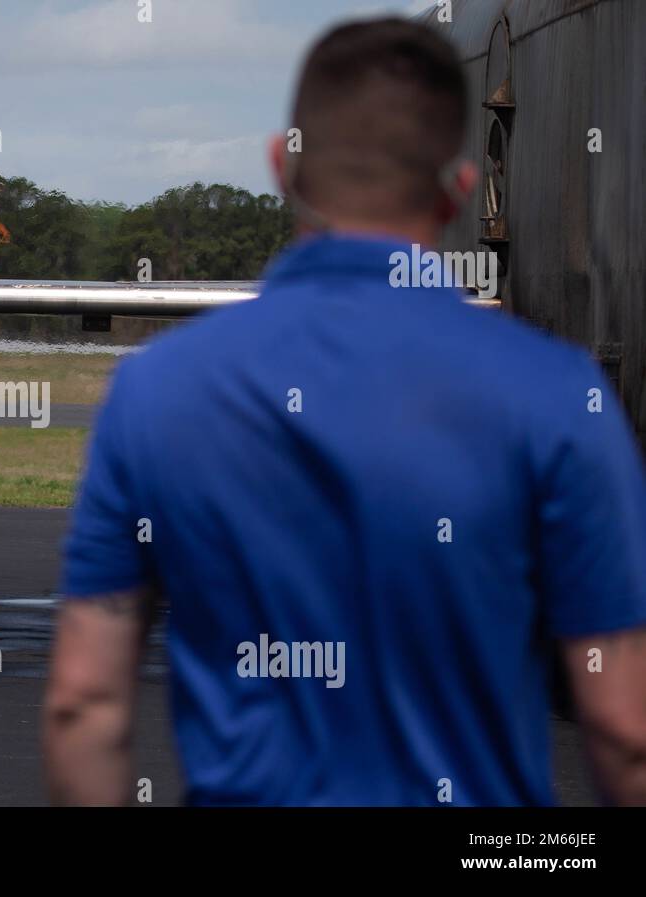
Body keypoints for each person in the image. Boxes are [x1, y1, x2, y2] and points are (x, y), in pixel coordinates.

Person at [43, 16, 646, 806]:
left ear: (279, 167)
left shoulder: (156, 388)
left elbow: (83, 700)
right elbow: (624, 731)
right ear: (459, 186)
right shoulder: (562, 394)